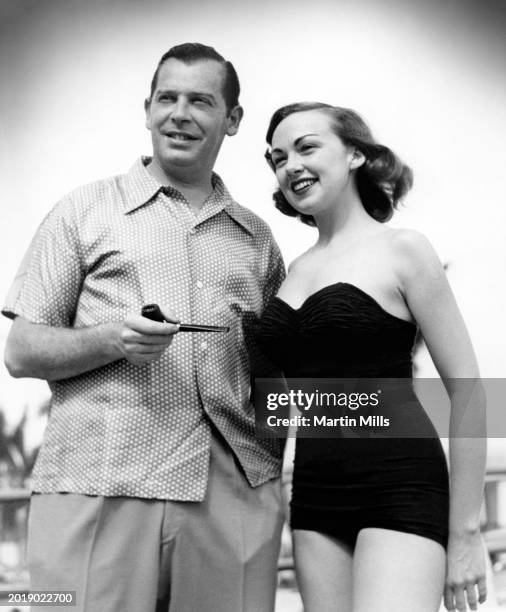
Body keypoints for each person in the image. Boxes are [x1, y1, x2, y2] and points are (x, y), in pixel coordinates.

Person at [2, 43, 285, 612]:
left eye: (200, 101)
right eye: (167, 98)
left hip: (231, 500)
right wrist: (112, 339)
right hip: (95, 484)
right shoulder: (81, 211)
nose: (180, 113)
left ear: (232, 120)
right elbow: (20, 351)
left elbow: (275, 382)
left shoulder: (257, 240)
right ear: (147, 108)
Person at [258, 101, 487, 612]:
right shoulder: (289, 271)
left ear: (356, 155)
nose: (289, 165)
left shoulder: (403, 250)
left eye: (306, 147)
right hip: (315, 494)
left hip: (400, 484)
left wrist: (466, 533)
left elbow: (467, 390)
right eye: (277, 157)